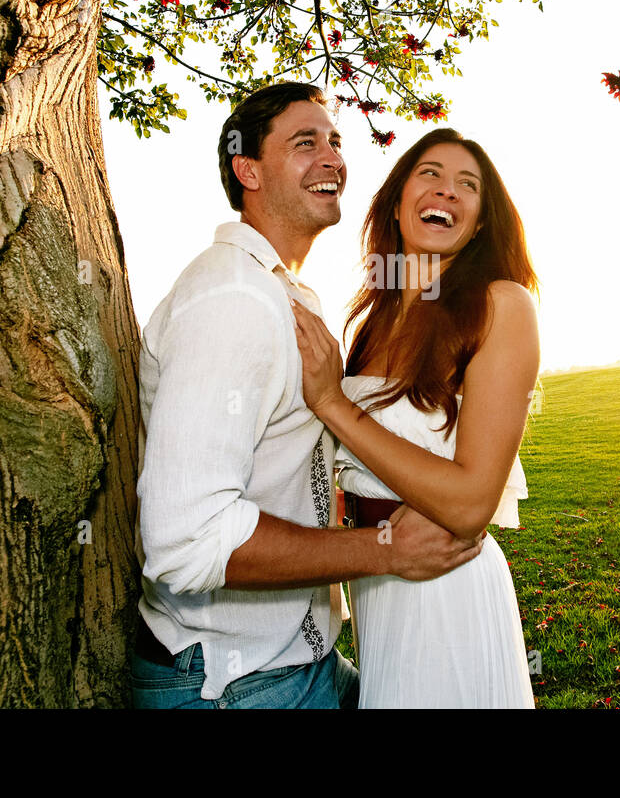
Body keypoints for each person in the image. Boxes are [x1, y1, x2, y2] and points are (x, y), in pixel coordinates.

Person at [132, 83, 483, 709]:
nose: (332, 158)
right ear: (248, 170)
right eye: (304, 143)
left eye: (335, 141)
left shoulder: (288, 294)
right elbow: (186, 541)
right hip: (237, 686)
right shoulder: (232, 298)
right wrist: (385, 550)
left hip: (305, 660)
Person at [291, 127, 540, 708]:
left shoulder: (502, 306)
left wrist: (334, 404)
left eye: (467, 185)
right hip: (377, 580)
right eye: (430, 173)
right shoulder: (371, 321)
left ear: (479, 222)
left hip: (445, 586)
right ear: (399, 201)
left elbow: (471, 503)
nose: (447, 191)